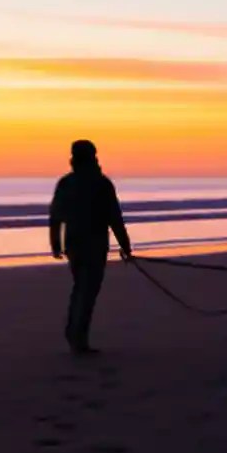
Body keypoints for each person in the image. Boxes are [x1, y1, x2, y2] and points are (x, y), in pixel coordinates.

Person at [49, 140, 132, 355]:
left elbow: (56, 216)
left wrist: (56, 243)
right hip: (94, 244)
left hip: (74, 244)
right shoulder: (101, 183)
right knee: (88, 291)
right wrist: (125, 245)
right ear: (93, 157)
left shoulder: (66, 183)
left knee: (80, 288)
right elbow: (115, 217)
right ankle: (78, 337)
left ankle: (74, 332)